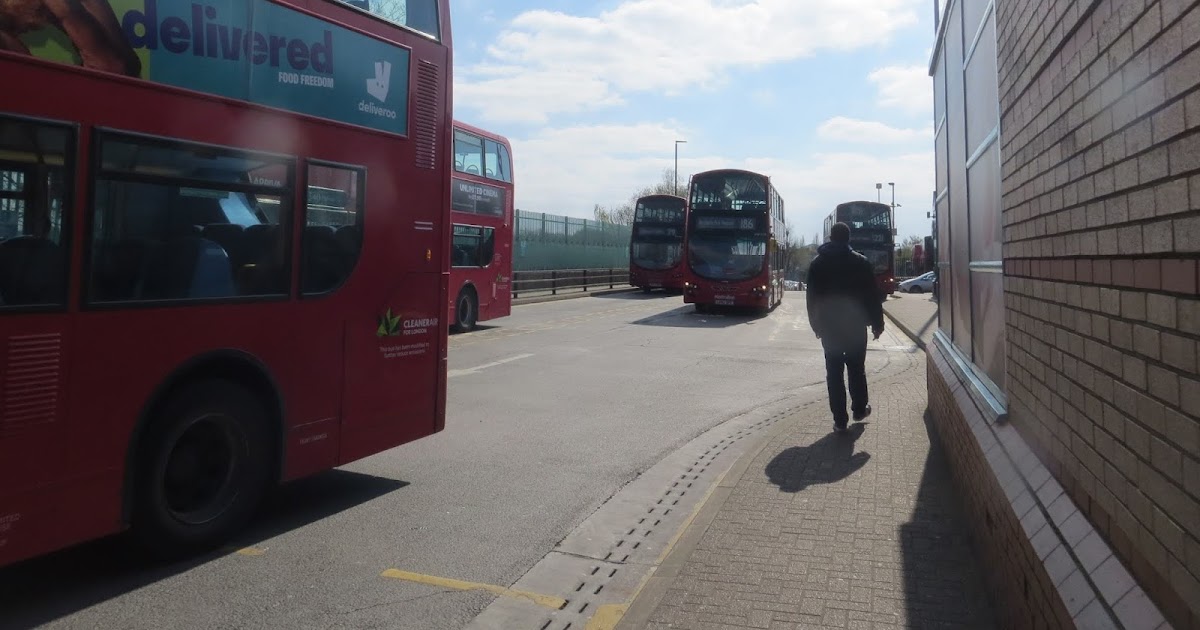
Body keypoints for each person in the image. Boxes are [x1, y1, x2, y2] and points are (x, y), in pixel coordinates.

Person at [806, 222, 885, 433]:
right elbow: (872, 296)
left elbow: (811, 298)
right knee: (856, 368)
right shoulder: (861, 262)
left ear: (831, 238)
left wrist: (816, 325)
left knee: (834, 372)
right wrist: (878, 324)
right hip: (855, 326)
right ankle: (859, 409)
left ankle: (840, 420)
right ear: (848, 238)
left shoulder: (818, 264)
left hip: (829, 327)